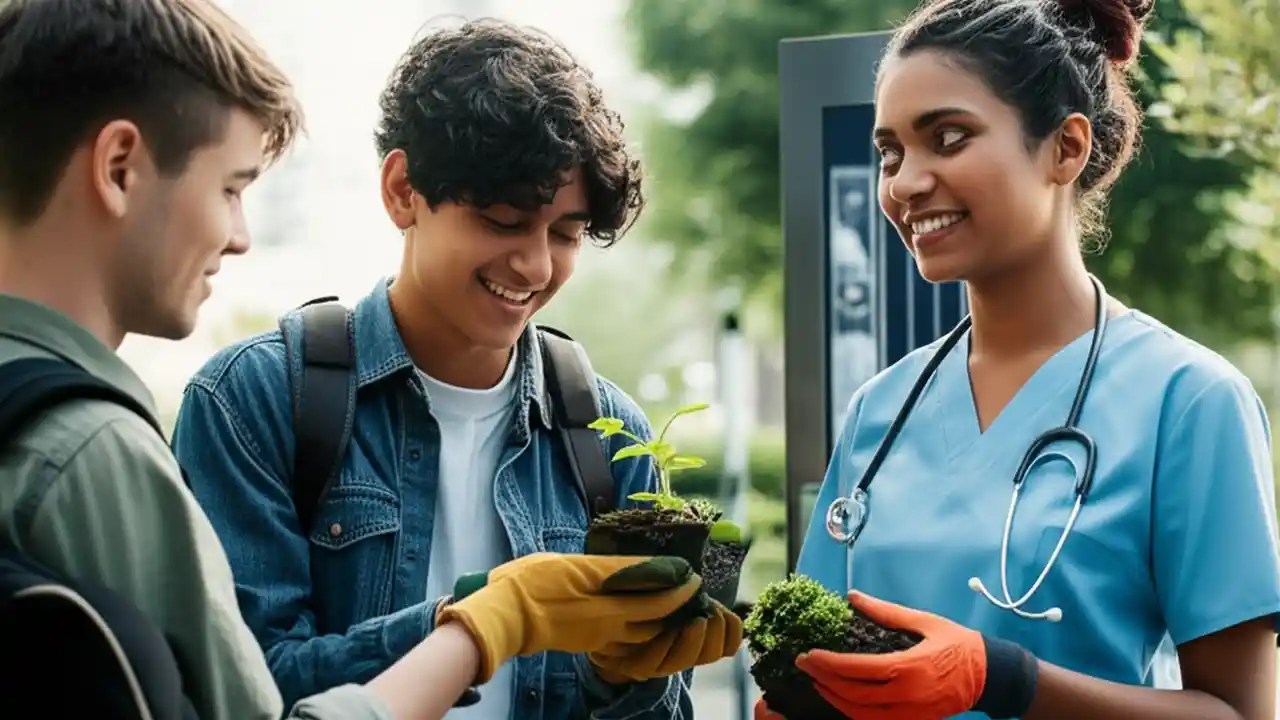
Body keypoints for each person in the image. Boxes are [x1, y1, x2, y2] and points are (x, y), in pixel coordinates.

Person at [0, 2, 725, 719]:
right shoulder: (254, 400)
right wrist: (478, 623)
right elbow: (249, 686)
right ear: (402, 191)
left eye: (566, 234)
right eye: (503, 222)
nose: (535, 264)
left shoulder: (609, 433)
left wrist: (622, 675)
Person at [760, 0, 1280, 719]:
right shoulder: (880, 408)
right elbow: (816, 656)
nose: (905, 182)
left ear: (1065, 148)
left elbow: (1241, 713)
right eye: (890, 152)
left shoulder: (1189, 401)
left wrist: (1003, 678)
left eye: (948, 137)